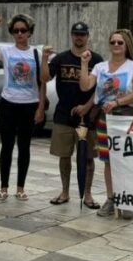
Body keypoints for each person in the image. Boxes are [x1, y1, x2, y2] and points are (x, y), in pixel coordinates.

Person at [0, 14, 46, 201]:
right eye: (15, 31)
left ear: (29, 32)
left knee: (24, 147)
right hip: (9, 104)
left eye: (23, 31)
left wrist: (41, 108)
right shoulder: (7, 52)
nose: (19, 34)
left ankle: (21, 187)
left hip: (29, 104)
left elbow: (43, 82)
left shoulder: (36, 54)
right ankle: (3, 187)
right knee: (6, 146)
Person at [79, 29, 133, 219]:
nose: (116, 46)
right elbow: (85, 86)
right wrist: (84, 64)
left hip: (124, 118)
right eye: (113, 42)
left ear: (127, 46)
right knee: (108, 160)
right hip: (104, 119)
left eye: (120, 43)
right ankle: (111, 198)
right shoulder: (100, 67)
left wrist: (117, 102)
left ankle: (127, 199)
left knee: (125, 160)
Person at [41, 22, 103, 208]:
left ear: (87, 36)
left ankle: (88, 194)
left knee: (88, 158)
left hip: (88, 116)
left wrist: (88, 106)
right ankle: (65, 191)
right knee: (64, 155)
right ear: (71, 35)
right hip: (64, 115)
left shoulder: (97, 60)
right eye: (76, 34)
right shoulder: (60, 58)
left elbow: (101, 88)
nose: (79, 37)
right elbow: (44, 78)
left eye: (82, 34)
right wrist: (45, 59)